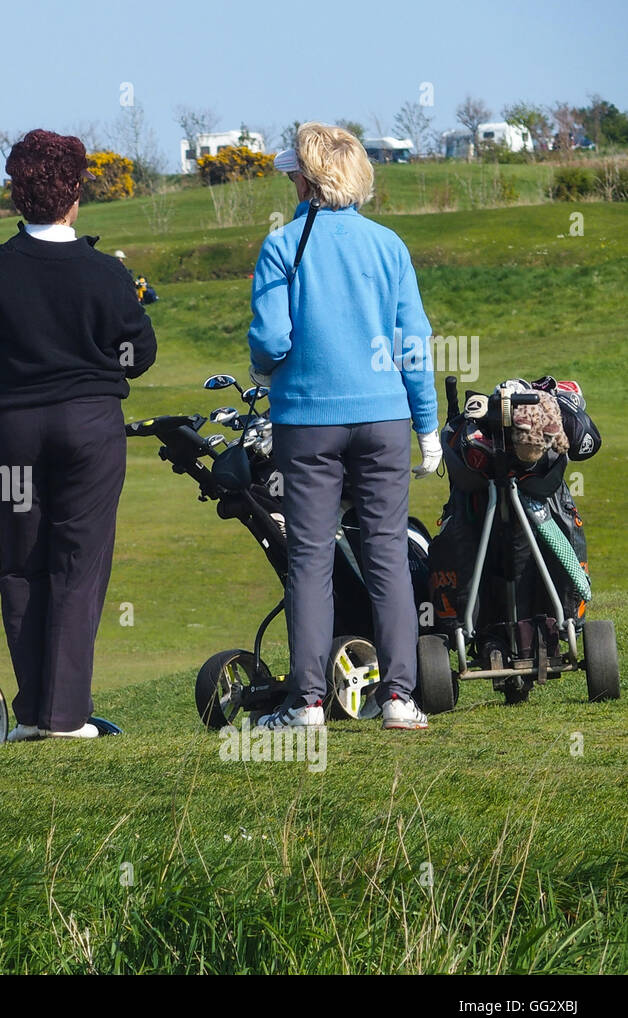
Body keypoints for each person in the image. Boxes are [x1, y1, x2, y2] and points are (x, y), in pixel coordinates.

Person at [0, 129, 157, 740]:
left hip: (14, 425)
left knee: (21, 563)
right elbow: (139, 353)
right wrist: (96, 364)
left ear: (18, 192)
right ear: (74, 192)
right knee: (78, 564)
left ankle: (32, 715)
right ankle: (66, 717)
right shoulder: (104, 273)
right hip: (89, 425)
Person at [247, 122, 441, 732]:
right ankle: (400, 699)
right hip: (384, 419)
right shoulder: (389, 246)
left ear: (306, 178)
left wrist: (269, 362)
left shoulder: (283, 245)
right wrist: (429, 429)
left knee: (309, 556)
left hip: (307, 421)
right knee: (386, 551)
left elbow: (271, 340)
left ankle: (306, 703)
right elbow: (414, 344)